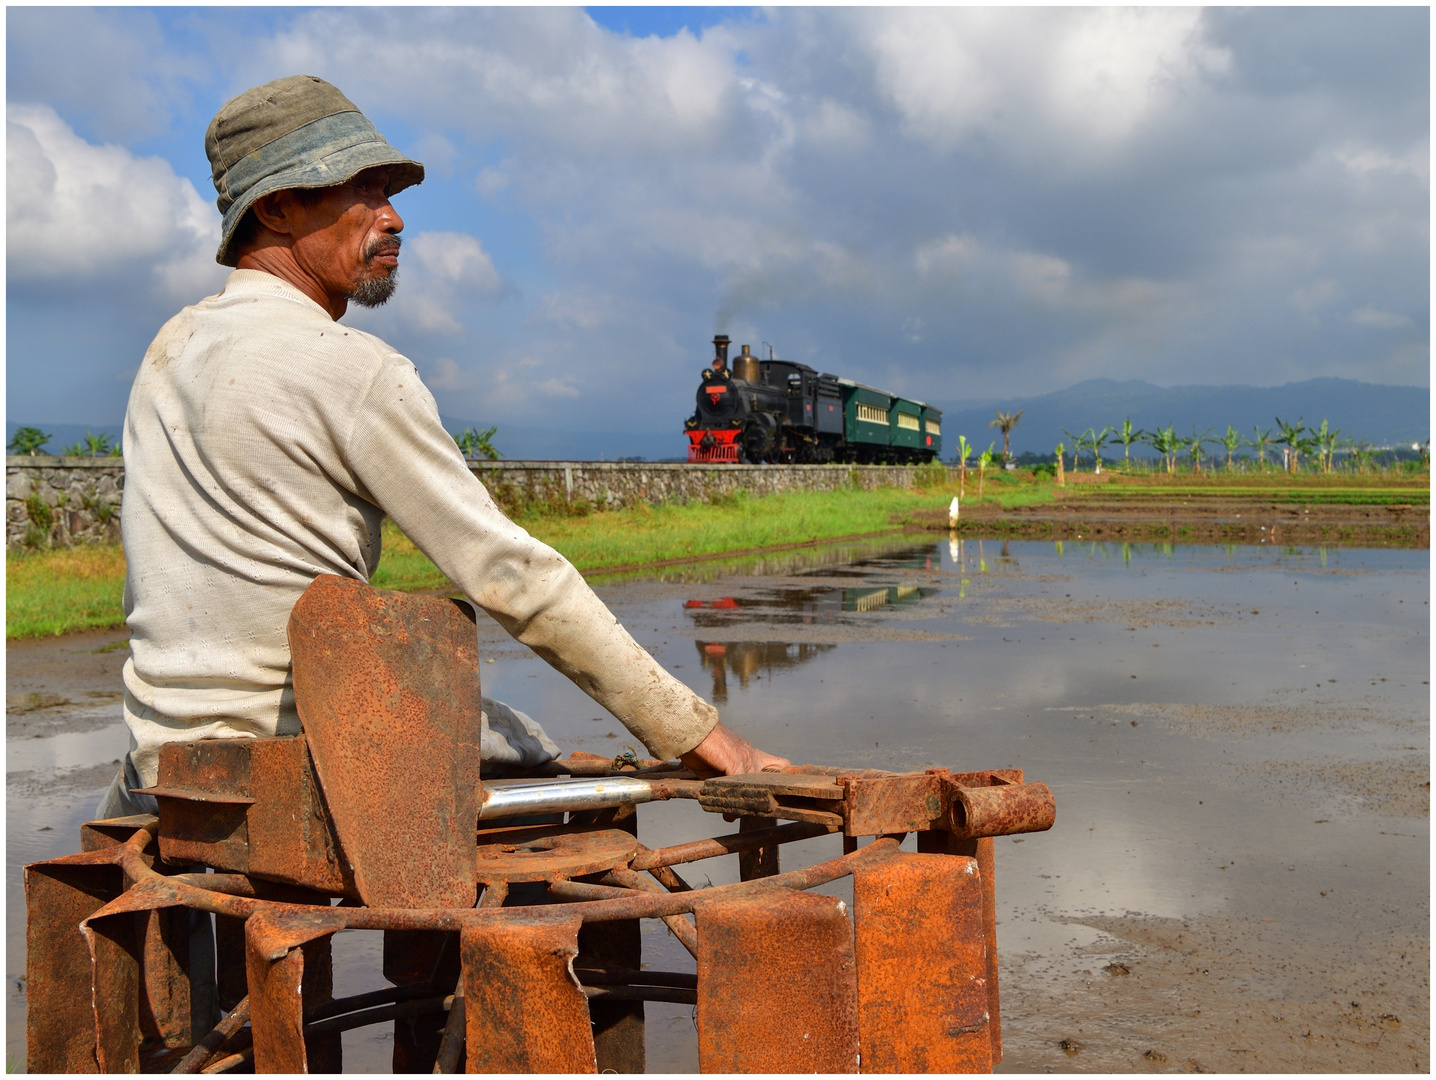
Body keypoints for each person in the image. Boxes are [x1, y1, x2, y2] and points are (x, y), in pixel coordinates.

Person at [98, 75, 787, 818]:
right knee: (537, 755)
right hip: (297, 759)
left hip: (160, 760)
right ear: (275, 207)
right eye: (359, 191)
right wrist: (707, 738)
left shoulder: (168, 350)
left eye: (391, 193)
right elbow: (511, 575)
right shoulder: (353, 369)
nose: (393, 218)